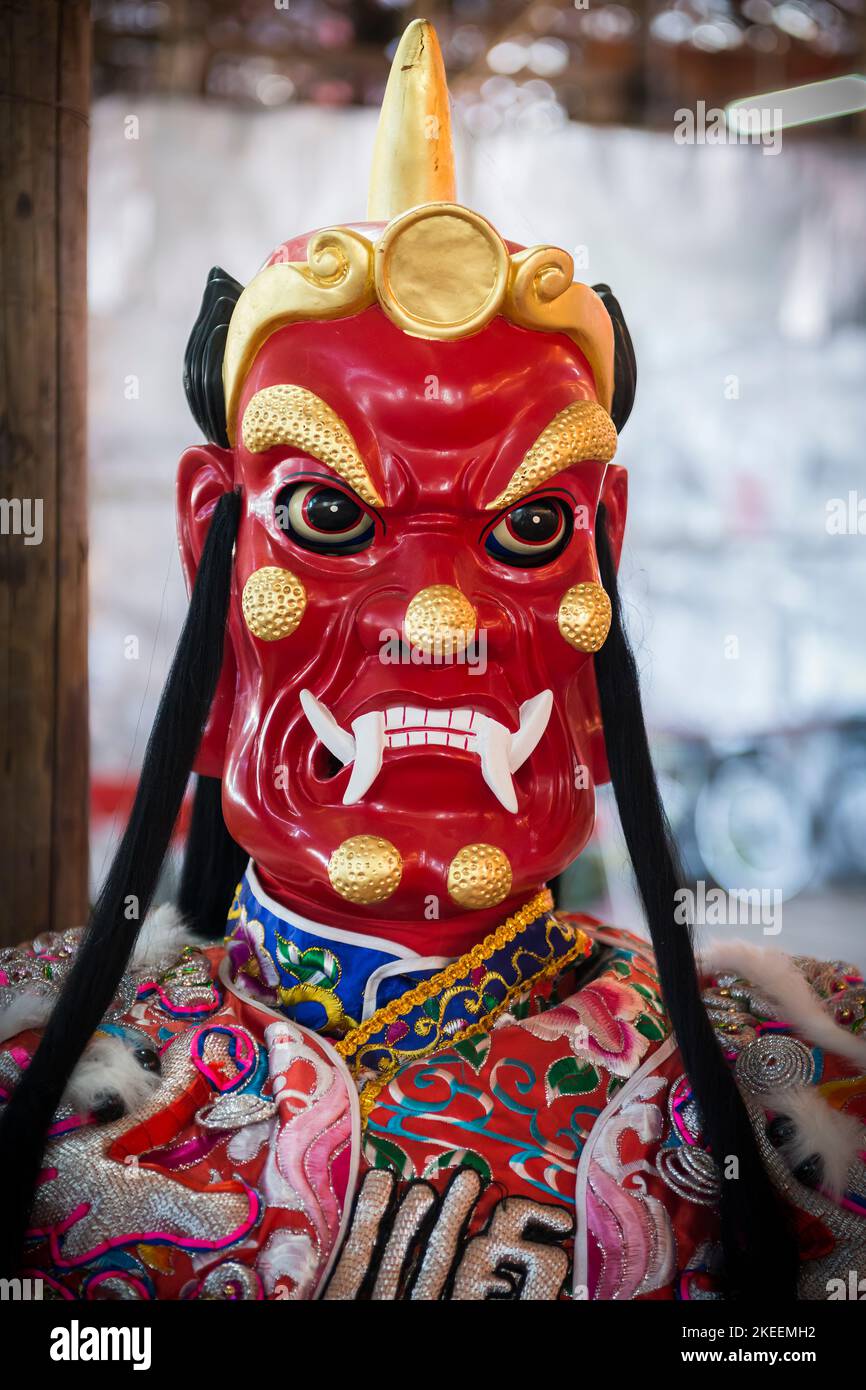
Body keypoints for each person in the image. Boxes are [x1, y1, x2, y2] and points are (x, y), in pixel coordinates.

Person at [1, 19, 864, 1302]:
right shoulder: (32, 1056)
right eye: (331, 519)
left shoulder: (808, 1077)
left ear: (601, 549)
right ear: (212, 543)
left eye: (525, 528)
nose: (436, 619)